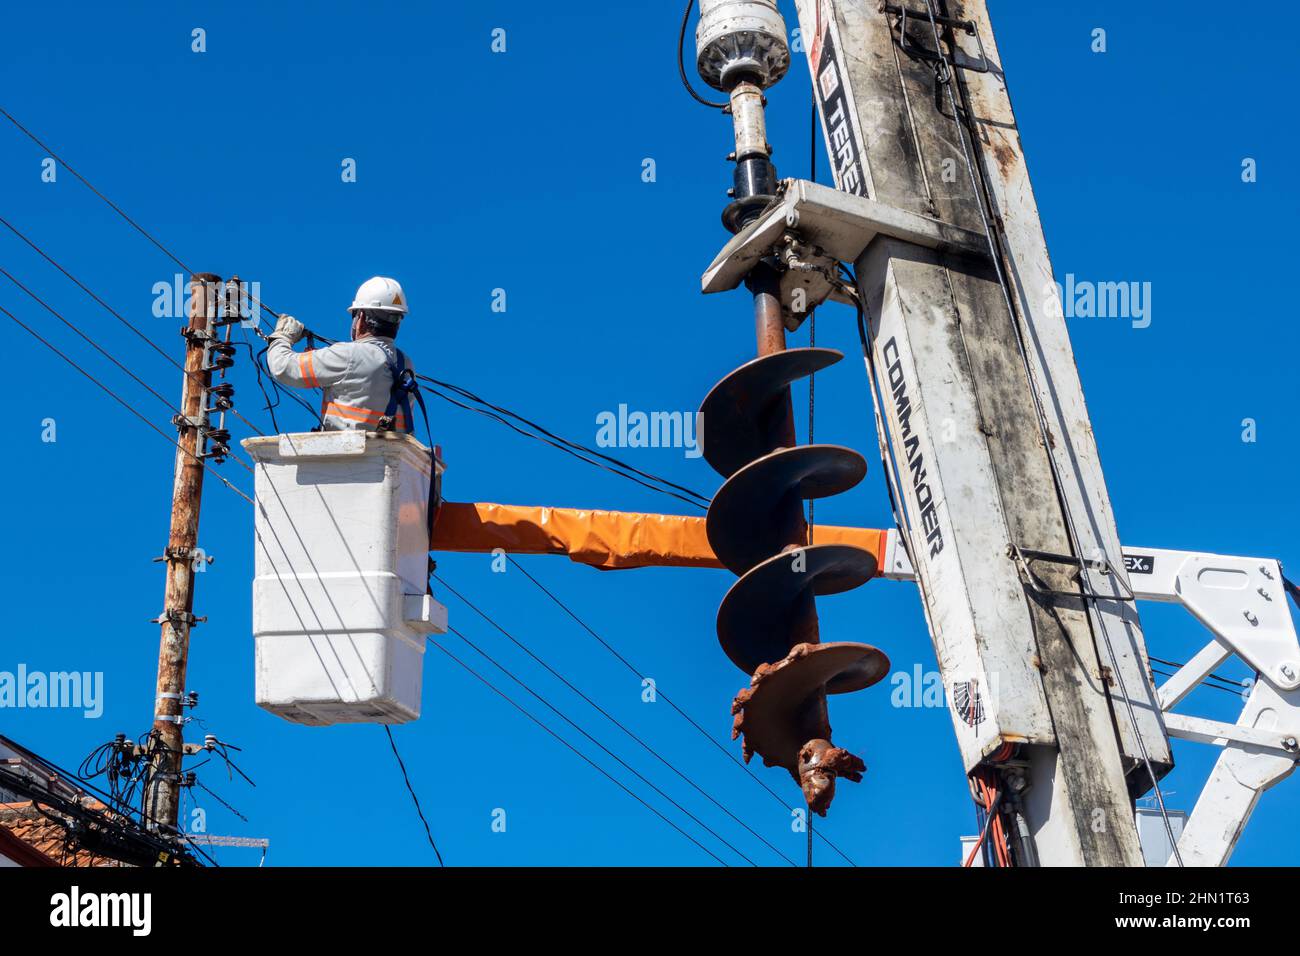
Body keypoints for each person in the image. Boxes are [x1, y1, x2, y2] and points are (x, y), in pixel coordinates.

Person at [266, 276, 416, 433]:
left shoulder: (349, 355)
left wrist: (281, 337)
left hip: (349, 454)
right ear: (397, 322)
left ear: (361, 317)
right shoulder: (405, 363)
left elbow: (284, 368)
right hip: (388, 454)